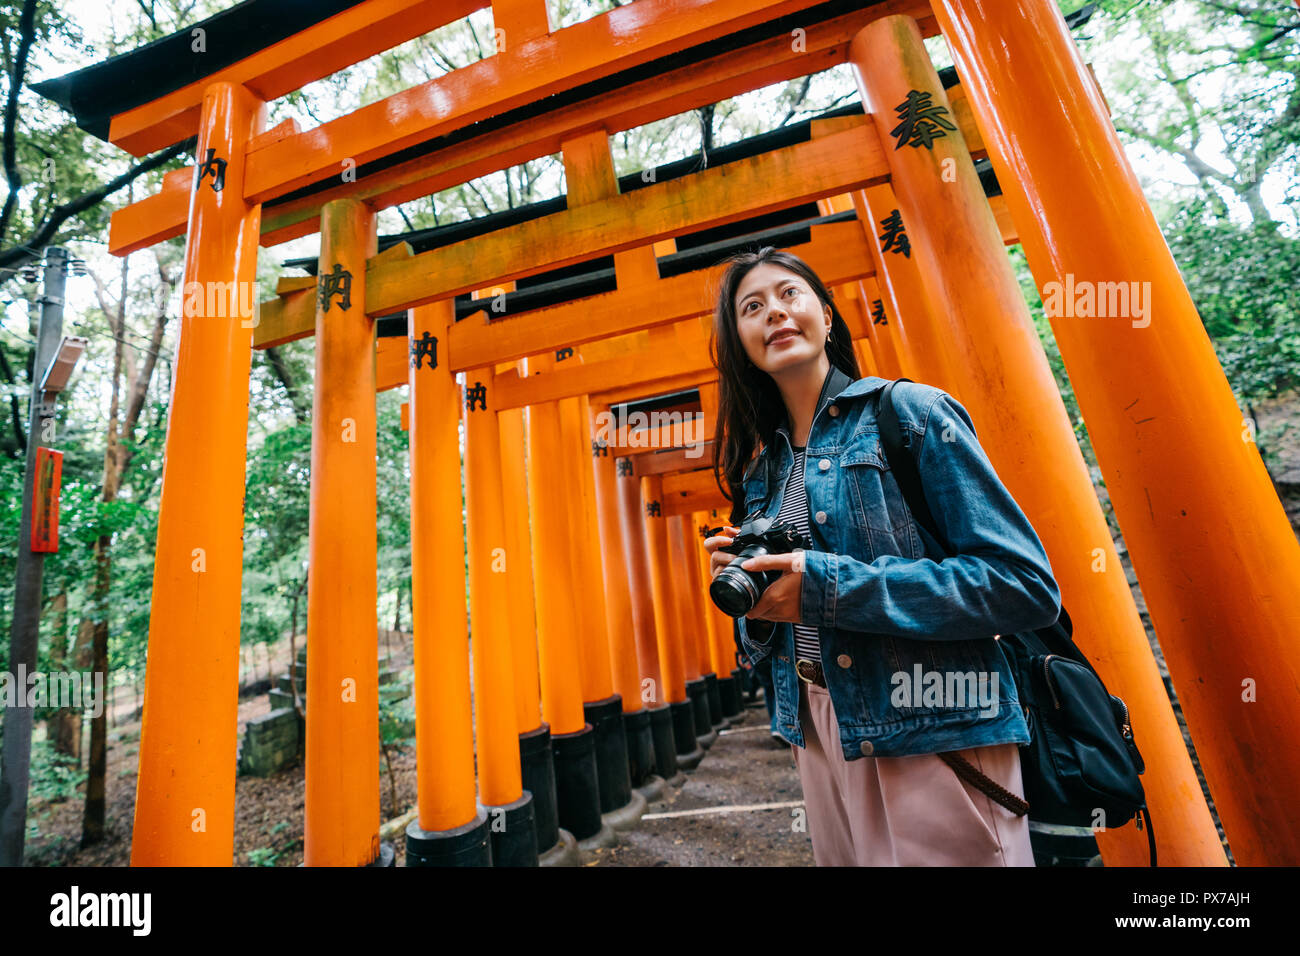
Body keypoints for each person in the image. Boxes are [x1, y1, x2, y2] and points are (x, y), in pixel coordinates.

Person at [701, 246, 1062, 866]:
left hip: (932, 720)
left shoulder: (912, 415)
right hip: (817, 728)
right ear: (740, 343)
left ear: (827, 316)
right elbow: (774, 633)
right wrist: (759, 606)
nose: (774, 313)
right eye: (752, 307)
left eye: (789, 294)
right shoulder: (763, 472)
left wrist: (825, 588)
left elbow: (1022, 584)